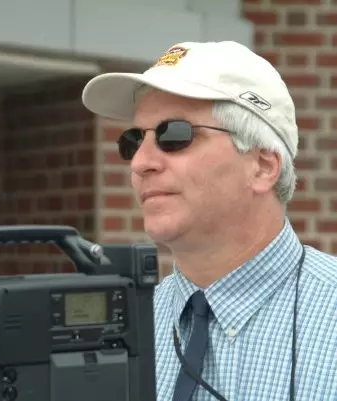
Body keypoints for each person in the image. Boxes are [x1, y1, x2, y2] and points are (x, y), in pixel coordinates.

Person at [81, 41, 337, 401]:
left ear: (263, 167)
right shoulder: (122, 325)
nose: (140, 162)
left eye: (175, 135)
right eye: (134, 140)